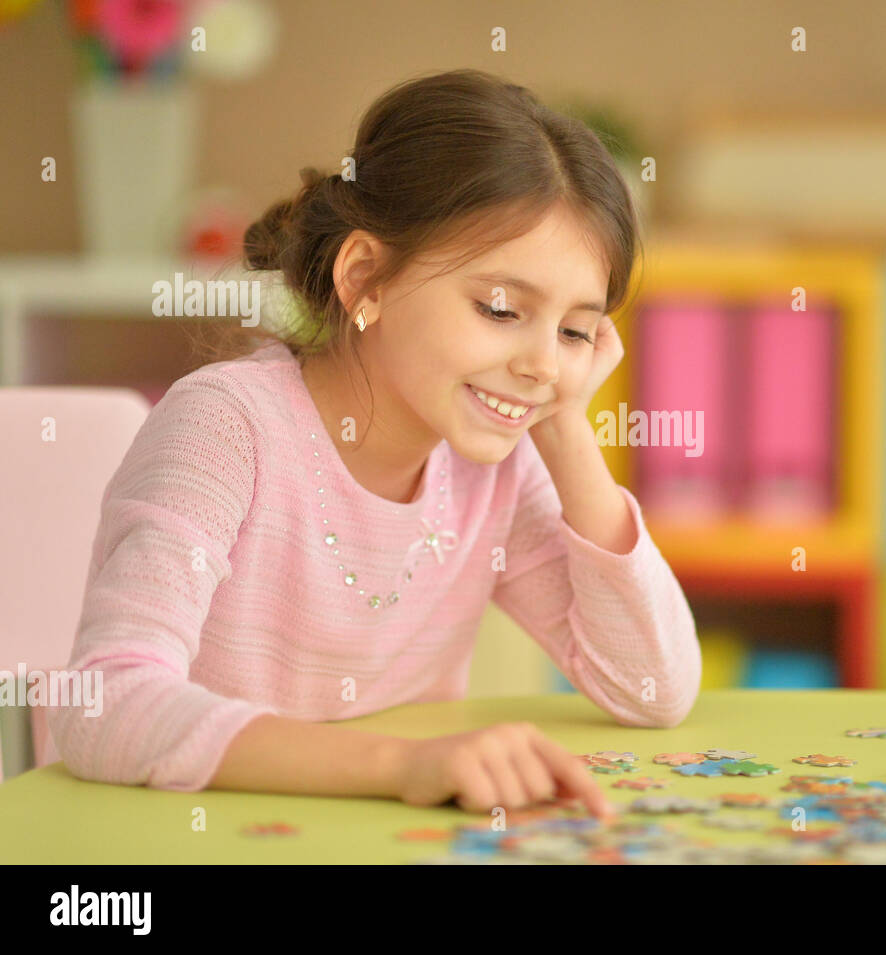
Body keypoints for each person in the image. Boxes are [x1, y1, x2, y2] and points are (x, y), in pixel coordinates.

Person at [48, 69, 701, 819]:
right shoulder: (226, 429)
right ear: (365, 278)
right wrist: (402, 764)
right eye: (500, 308)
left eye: (576, 329)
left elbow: (653, 688)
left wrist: (562, 421)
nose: (545, 361)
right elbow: (104, 701)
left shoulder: (497, 467)